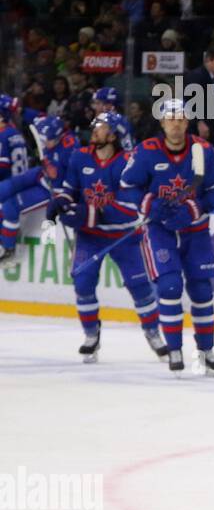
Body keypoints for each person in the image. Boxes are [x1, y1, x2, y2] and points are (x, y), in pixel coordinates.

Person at [119, 99, 214, 376]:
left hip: (196, 231)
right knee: (169, 287)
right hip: (160, 231)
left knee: (202, 291)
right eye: (171, 118)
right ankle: (174, 349)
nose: (176, 123)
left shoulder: (203, 150)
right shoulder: (146, 151)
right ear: (162, 122)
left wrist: (195, 208)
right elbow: (127, 185)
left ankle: (206, 350)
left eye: (181, 118)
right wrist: (150, 205)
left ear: (187, 121)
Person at [47, 114, 168, 362]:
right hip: (90, 237)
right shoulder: (80, 156)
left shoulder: (128, 162)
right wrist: (61, 201)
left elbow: (128, 206)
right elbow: (70, 189)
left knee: (140, 288)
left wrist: (87, 212)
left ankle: (152, 332)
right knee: (82, 283)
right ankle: (91, 335)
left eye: (101, 127)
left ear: (114, 135)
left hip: (124, 236)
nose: (94, 130)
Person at [0, 109, 79, 266]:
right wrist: (23, 110)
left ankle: (9, 250)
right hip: (40, 174)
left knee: (11, 206)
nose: (43, 143)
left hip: (53, 188)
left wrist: (60, 183)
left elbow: (75, 179)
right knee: (3, 188)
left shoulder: (71, 151)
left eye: (47, 140)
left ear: (58, 136)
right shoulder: (48, 127)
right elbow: (33, 117)